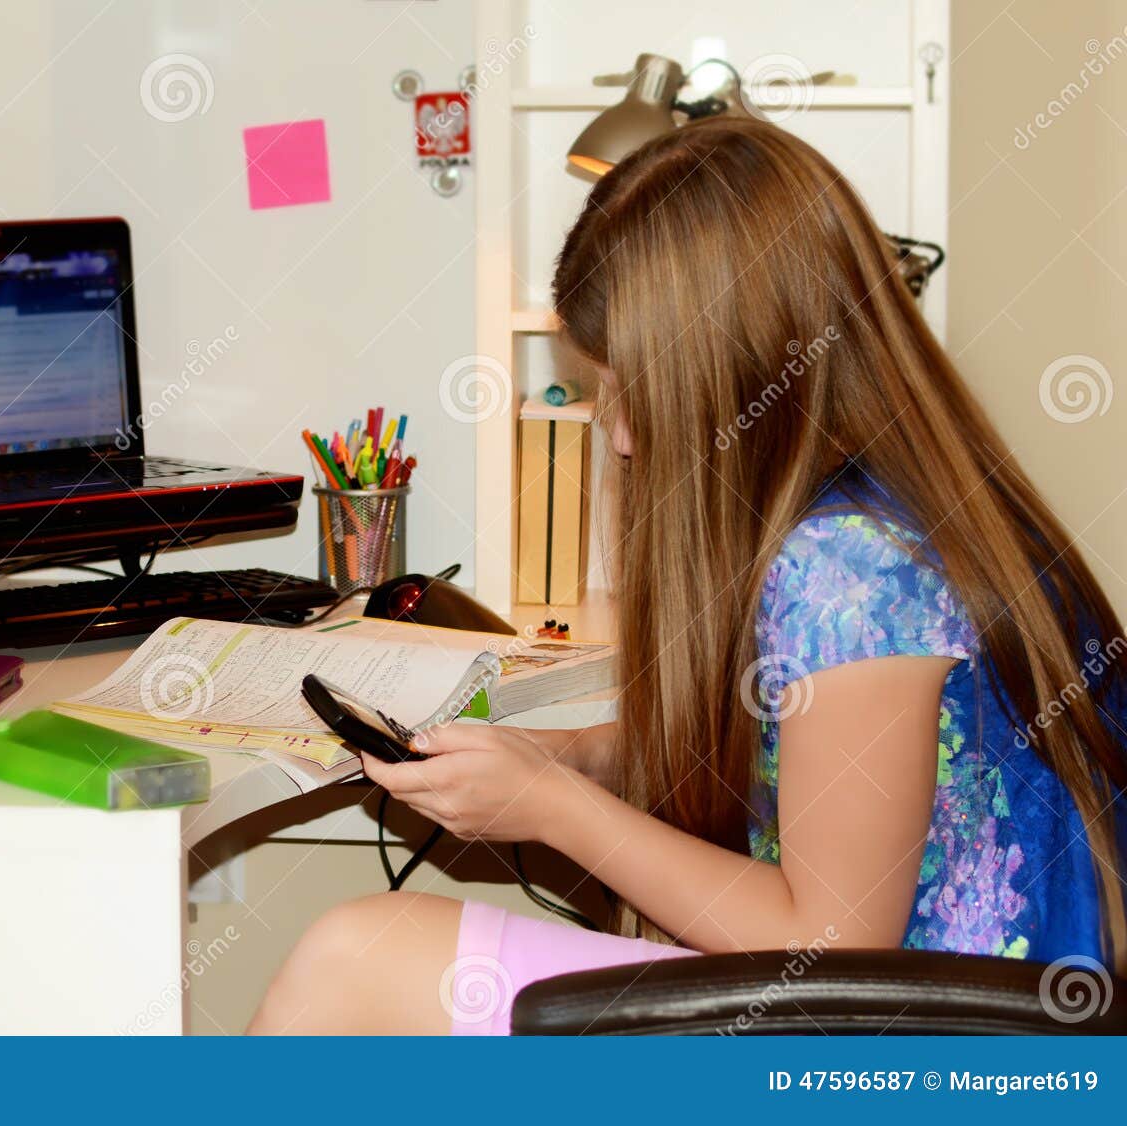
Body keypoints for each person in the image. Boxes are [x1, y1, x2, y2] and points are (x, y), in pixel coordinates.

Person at [249, 116, 1127, 1036]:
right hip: (937, 1015)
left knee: (352, 961)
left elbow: (828, 942)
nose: (620, 434)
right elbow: (804, 737)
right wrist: (583, 754)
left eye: (637, 387)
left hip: (921, 1048)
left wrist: (555, 808)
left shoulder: (850, 569)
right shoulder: (898, 500)